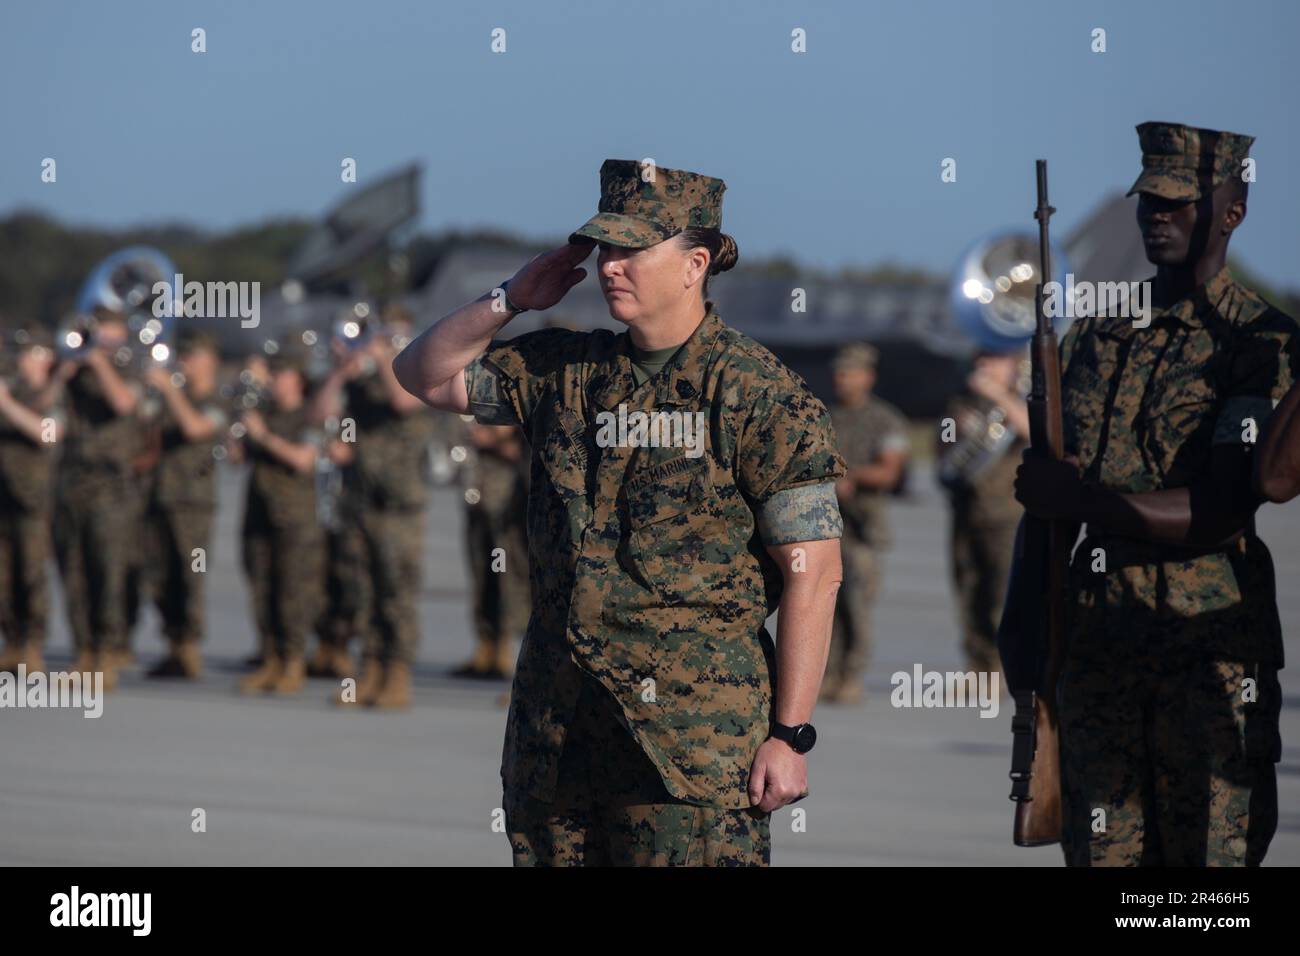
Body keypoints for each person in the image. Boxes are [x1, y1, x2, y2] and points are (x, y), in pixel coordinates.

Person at [394, 159, 846, 867]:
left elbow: (813, 575)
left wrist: (789, 736)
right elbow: (422, 373)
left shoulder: (760, 397)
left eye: (634, 249)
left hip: (688, 749)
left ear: (695, 262)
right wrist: (511, 297)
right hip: (561, 734)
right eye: (605, 248)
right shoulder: (564, 371)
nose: (611, 267)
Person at [1012, 122, 1295, 866]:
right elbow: (1043, 501)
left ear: (1231, 210)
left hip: (1209, 654)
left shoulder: (1260, 344)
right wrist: (1021, 632)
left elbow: (1224, 507)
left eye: (1178, 202)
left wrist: (1082, 505)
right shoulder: (1098, 333)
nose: (1157, 217)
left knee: (1206, 876)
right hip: (1097, 647)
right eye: (1149, 202)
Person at [309, 306, 433, 708]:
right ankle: (369, 670)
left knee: (397, 592)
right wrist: (341, 372)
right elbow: (319, 416)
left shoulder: (420, 372)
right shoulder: (360, 385)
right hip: (360, 500)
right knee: (362, 591)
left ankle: (397, 674)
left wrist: (382, 357)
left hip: (401, 501)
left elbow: (404, 403)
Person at [50, 308, 143, 690]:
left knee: (106, 571)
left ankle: (106, 653)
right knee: (72, 572)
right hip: (70, 480)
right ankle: (82, 654)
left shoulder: (129, 366)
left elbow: (123, 403)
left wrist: (98, 363)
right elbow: (46, 412)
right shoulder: (70, 369)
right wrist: (62, 373)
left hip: (111, 485)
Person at [823, 342, 909, 704]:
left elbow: (890, 471)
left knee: (857, 605)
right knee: (824, 604)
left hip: (862, 529)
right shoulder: (823, 416)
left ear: (868, 377)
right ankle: (827, 675)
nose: (845, 380)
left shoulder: (885, 419)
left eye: (852, 372)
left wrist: (850, 478)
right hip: (825, 528)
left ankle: (852, 675)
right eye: (840, 372)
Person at [236, 342, 324, 695]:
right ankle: (270, 658)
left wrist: (264, 437)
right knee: (262, 588)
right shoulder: (263, 412)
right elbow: (234, 456)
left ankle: (293, 662)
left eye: (280, 373)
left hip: (296, 519)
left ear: (299, 378)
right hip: (260, 513)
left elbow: (304, 459)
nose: (274, 380)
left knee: (293, 593)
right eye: (271, 373)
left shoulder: (310, 415)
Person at [938, 348, 1028, 680]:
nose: (982, 366)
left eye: (992, 358)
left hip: (1006, 515)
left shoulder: (1022, 402)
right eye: (979, 359)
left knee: (1001, 595)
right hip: (966, 511)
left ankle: (1005, 670)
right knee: (967, 590)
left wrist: (999, 396)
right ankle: (978, 670)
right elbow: (942, 450)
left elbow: (1036, 433)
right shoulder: (961, 404)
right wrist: (958, 432)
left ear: (1013, 364)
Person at [143, 329, 227, 678]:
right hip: (161, 497)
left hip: (194, 505)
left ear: (211, 361)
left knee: (190, 575)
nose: (186, 363)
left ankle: (189, 646)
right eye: (184, 355)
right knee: (160, 575)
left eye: (193, 356)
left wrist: (168, 390)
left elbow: (195, 429)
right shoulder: (172, 397)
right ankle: (173, 645)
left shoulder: (219, 401)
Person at [0, 324, 62, 675]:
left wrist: (7, 405)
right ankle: (10, 644)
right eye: (22, 353)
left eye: (33, 353)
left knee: (31, 574)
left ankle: (33, 645)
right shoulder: (11, 392)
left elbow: (47, 434)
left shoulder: (57, 397)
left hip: (35, 501)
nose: (25, 361)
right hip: (3, 497)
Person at [453, 420, 531, 680]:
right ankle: (485, 645)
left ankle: (505, 648)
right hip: (479, 492)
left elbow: (519, 431)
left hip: (507, 497)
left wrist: (495, 438)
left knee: (508, 577)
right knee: (479, 573)